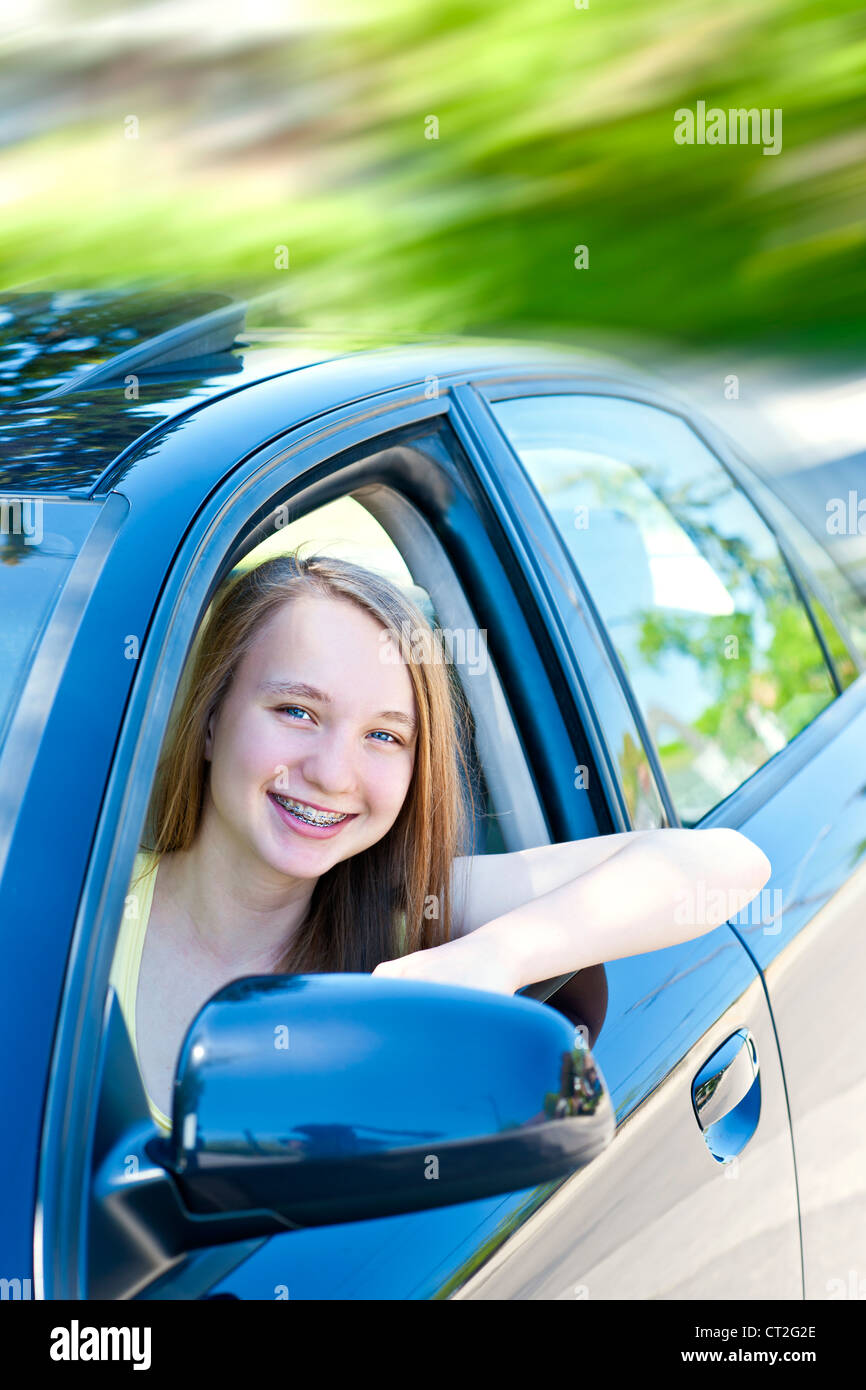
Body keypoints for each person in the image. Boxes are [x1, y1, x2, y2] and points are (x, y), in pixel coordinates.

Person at [110, 550, 772, 1135]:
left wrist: (497, 957)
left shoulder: (407, 912)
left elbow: (727, 862)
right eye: (297, 712)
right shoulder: (83, 917)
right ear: (209, 719)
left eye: (384, 736)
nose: (333, 774)